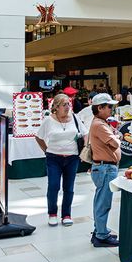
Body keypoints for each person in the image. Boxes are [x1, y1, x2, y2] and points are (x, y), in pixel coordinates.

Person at [35, 94, 88, 227]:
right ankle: (52, 213)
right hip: (54, 158)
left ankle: (66, 215)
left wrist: (85, 148)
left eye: (68, 104)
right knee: (53, 186)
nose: (67, 107)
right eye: (64, 104)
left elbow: (85, 133)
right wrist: (46, 151)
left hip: (72, 158)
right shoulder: (48, 120)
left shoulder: (75, 117)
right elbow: (39, 137)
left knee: (68, 188)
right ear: (56, 107)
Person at [87, 93, 121, 248]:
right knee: (103, 202)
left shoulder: (101, 122)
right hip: (105, 168)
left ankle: (100, 230)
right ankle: (101, 235)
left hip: (104, 167)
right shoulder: (100, 125)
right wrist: (117, 136)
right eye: (109, 107)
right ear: (99, 108)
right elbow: (114, 143)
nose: (111, 109)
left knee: (100, 201)